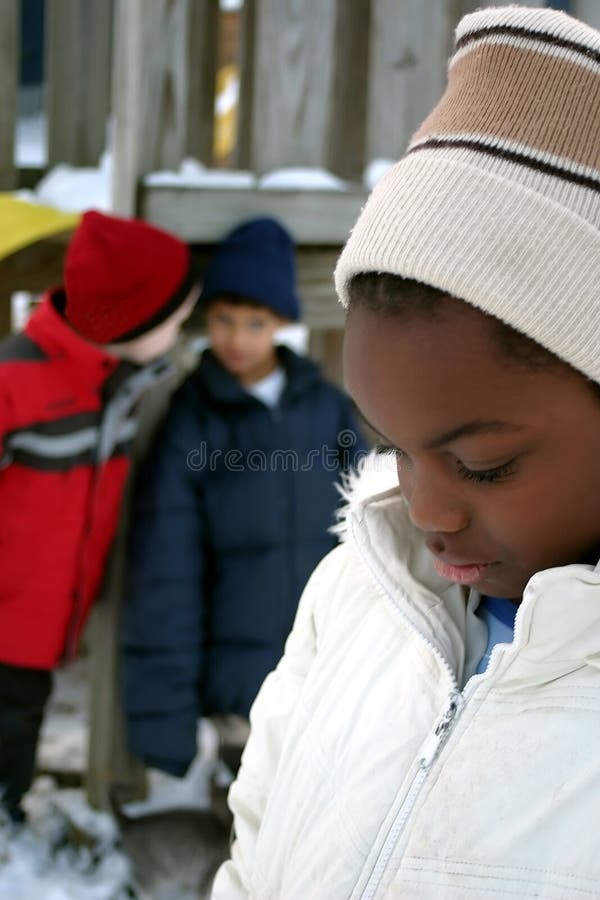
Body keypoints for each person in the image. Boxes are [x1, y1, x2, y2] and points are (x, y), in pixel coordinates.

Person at [211, 7, 600, 898]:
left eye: (485, 464)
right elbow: (256, 848)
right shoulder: (359, 591)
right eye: (393, 449)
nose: (424, 513)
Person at [121, 216, 367, 784]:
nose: (236, 339)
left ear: (280, 322)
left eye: (254, 323)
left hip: (320, 672)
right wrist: (170, 727)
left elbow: (368, 526)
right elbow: (165, 574)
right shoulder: (191, 422)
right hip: (233, 690)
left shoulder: (325, 410)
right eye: (223, 320)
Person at [0, 210, 199, 824]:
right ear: (127, 323)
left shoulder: (117, 381)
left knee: (21, 716)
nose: (181, 331)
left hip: (49, 614)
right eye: (175, 320)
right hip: (8, 606)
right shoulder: (18, 380)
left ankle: (9, 812)